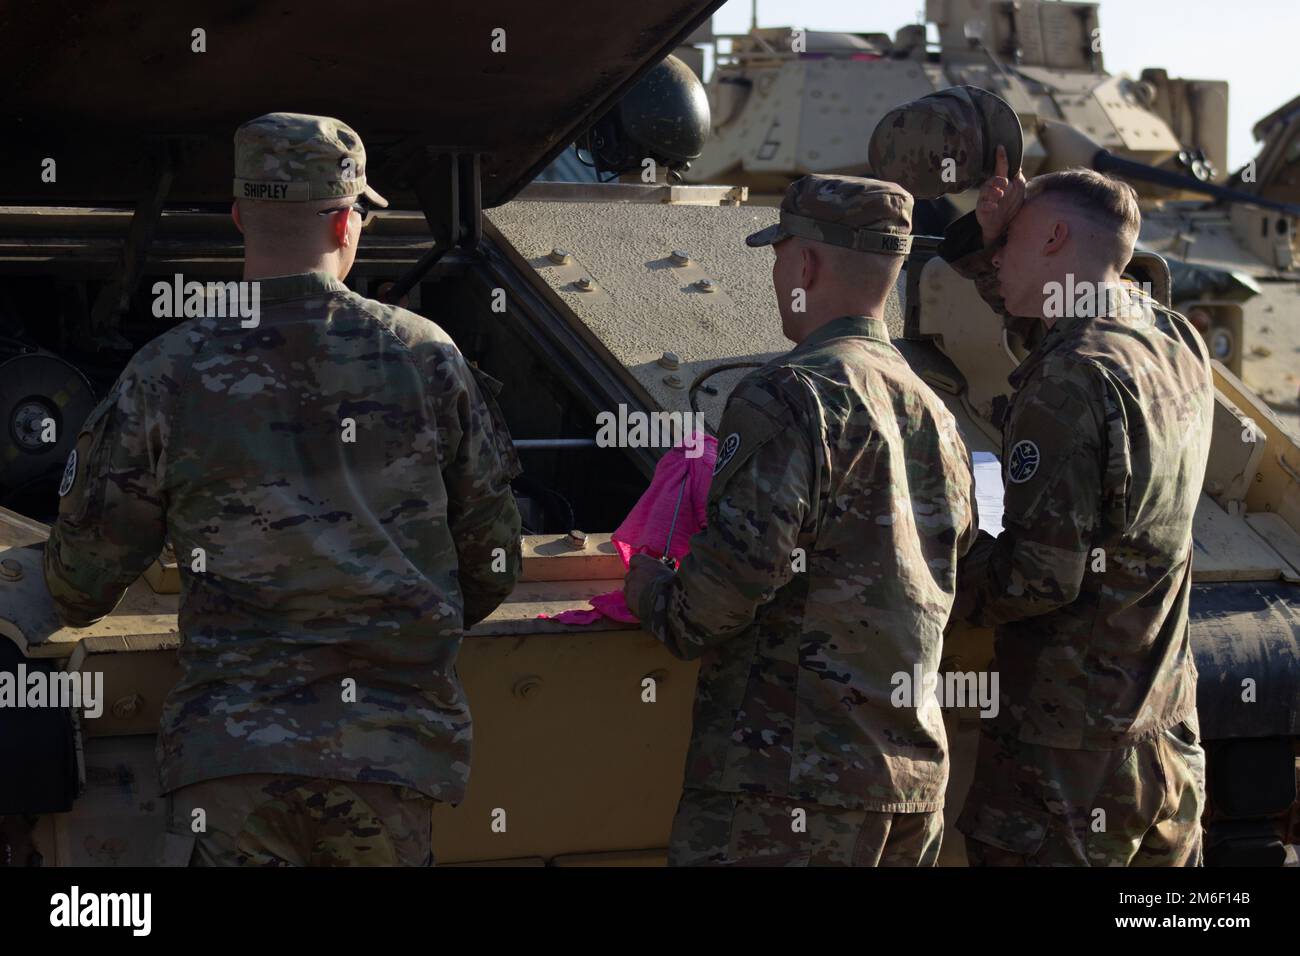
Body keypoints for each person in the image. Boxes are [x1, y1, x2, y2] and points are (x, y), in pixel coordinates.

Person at [44, 112, 523, 866]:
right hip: (387, 759)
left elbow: (82, 579)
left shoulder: (168, 368)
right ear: (344, 222)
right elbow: (493, 563)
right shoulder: (427, 358)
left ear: (238, 215)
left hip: (230, 761)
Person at [624, 174, 977, 866]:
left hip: (787, 790)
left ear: (806, 264)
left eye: (779, 253)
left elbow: (725, 587)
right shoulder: (934, 410)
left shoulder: (790, 395)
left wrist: (650, 590)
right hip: (907, 784)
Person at [942, 147, 1214, 866]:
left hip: (1067, 761)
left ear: (1056, 240)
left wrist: (925, 573)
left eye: (1013, 240)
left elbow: (1038, 578)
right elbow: (1039, 310)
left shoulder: (1070, 377)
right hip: (1164, 734)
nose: (997, 258)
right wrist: (994, 234)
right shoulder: (1173, 338)